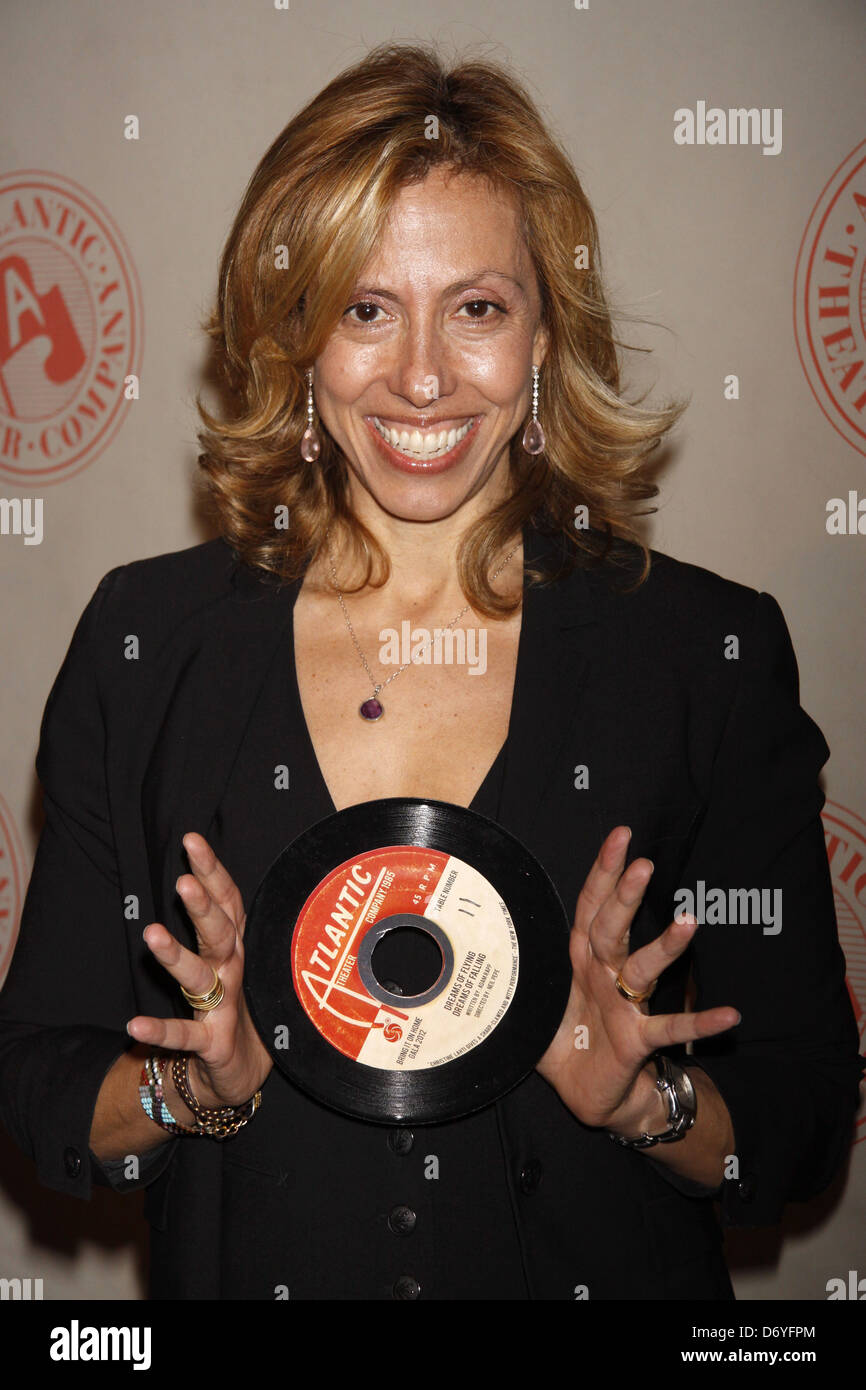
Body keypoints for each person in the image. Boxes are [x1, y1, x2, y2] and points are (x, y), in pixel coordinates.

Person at [0, 44, 861, 1302]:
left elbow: (794, 1116)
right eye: (362, 307)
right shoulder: (149, 646)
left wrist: (642, 1102)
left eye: (475, 307)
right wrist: (195, 1086)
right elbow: (37, 1083)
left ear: (544, 341)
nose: (418, 375)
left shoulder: (701, 656)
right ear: (294, 341)